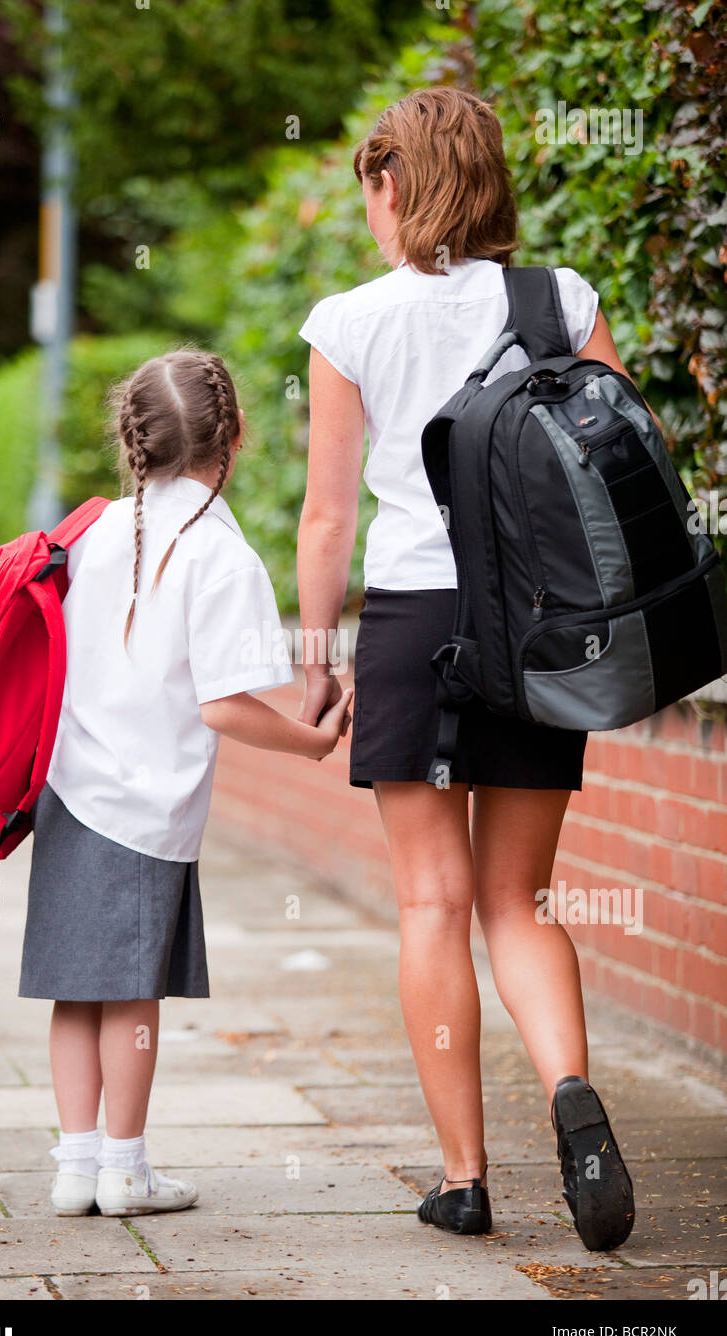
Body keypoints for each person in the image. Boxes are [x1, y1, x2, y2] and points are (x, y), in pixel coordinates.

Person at [296, 87, 635, 1250]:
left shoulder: (348, 322)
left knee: (431, 902)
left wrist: (314, 654)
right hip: (540, 620)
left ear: (391, 183)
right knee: (518, 900)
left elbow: (326, 518)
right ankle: (570, 1100)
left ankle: (463, 1180)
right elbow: (622, 460)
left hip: (413, 614)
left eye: (369, 194)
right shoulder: (561, 300)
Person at [19, 349, 352, 1218]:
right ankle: (125, 1169)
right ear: (233, 439)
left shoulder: (93, 533)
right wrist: (311, 744)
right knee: (131, 995)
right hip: (144, 813)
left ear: (136, 444)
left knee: (74, 988)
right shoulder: (219, 552)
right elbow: (226, 708)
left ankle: (74, 1167)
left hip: (68, 791)